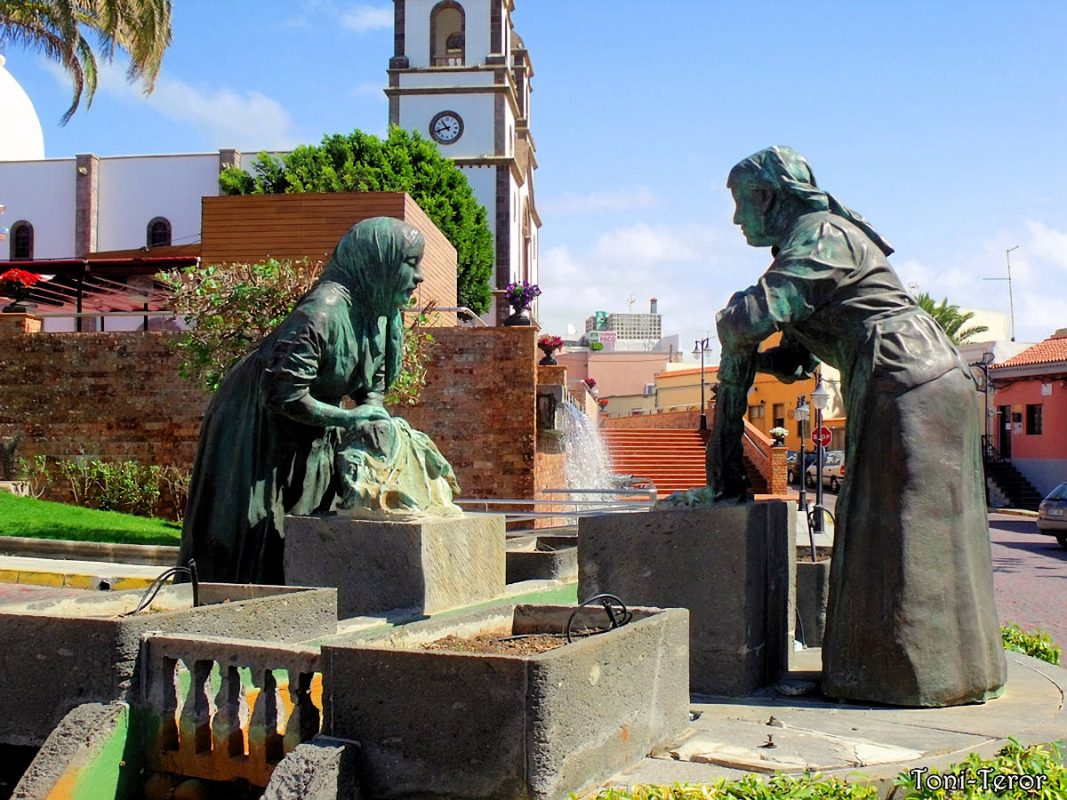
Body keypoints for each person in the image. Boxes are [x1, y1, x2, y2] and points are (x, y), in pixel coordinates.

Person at [715, 146, 1006, 707]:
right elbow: (796, 356)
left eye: (739, 203)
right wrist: (758, 358)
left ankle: (902, 678)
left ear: (770, 197)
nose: (735, 219)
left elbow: (757, 314)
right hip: (914, 376)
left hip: (908, 379)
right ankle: (938, 672)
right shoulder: (811, 244)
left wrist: (732, 322)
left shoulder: (821, 235)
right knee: (905, 527)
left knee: (901, 528)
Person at [179, 217, 430, 584]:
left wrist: (375, 422)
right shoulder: (322, 312)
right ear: (378, 261)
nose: (420, 276)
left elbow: (370, 388)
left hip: (312, 422)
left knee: (311, 509)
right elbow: (284, 394)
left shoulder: (381, 314)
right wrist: (351, 419)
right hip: (256, 423)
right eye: (410, 263)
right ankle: (232, 601)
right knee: (256, 527)